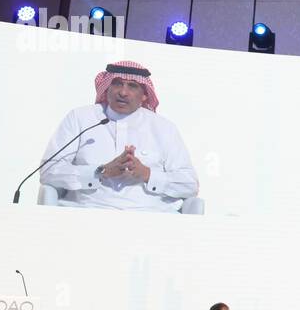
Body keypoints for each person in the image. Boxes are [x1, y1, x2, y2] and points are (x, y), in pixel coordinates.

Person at [39, 60, 199, 211]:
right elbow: (49, 170)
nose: (123, 92)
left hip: (151, 217)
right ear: (107, 87)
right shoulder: (80, 118)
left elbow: (189, 184)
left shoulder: (164, 128)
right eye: (117, 84)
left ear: (144, 95)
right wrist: (101, 171)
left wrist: (146, 173)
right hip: (87, 213)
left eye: (132, 86)